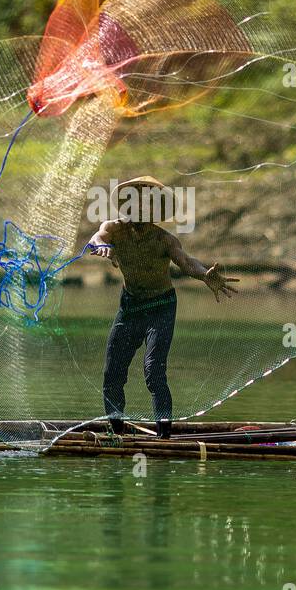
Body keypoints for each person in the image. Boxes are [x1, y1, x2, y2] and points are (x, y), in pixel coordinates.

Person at [86, 176, 238, 437]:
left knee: (153, 370)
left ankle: (164, 435)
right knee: (112, 373)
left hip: (161, 307)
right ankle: (117, 432)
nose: (141, 208)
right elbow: (97, 237)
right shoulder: (114, 230)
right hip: (130, 308)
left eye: (148, 204)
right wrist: (100, 245)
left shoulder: (164, 240)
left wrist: (204, 275)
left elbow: (186, 262)